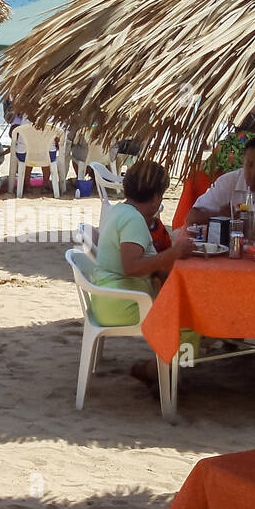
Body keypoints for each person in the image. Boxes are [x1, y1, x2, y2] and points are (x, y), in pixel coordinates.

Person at [91, 160, 195, 387]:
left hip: (107, 299)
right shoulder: (133, 220)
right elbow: (132, 266)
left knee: (184, 307)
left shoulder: (119, 210)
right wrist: (174, 253)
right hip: (123, 305)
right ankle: (162, 371)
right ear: (157, 198)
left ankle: (168, 368)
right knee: (191, 320)